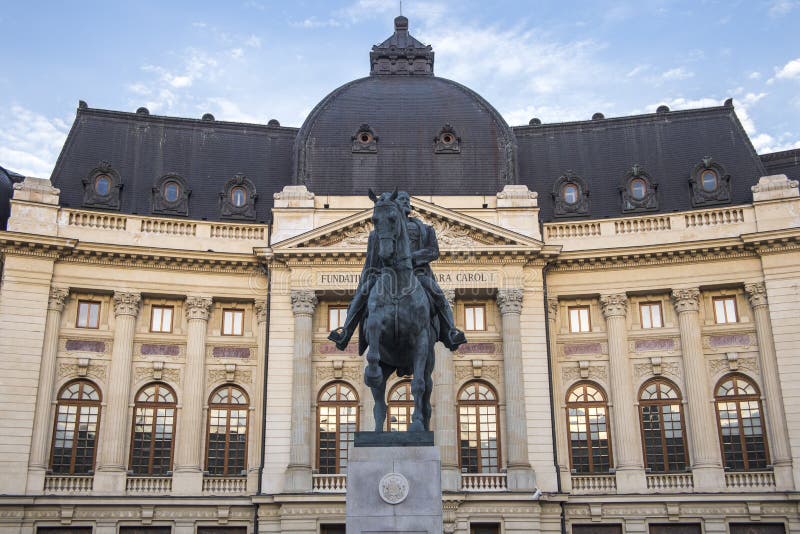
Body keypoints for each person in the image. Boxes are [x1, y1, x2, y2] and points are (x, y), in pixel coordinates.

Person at [328, 191, 467, 354]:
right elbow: (370, 263)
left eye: (408, 200)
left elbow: (433, 251)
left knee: (437, 294)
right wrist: (366, 281)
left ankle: (451, 331)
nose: (406, 202)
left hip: (417, 275)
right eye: (402, 200)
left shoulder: (426, 229)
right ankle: (345, 331)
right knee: (363, 294)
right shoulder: (377, 234)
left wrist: (410, 258)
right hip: (384, 276)